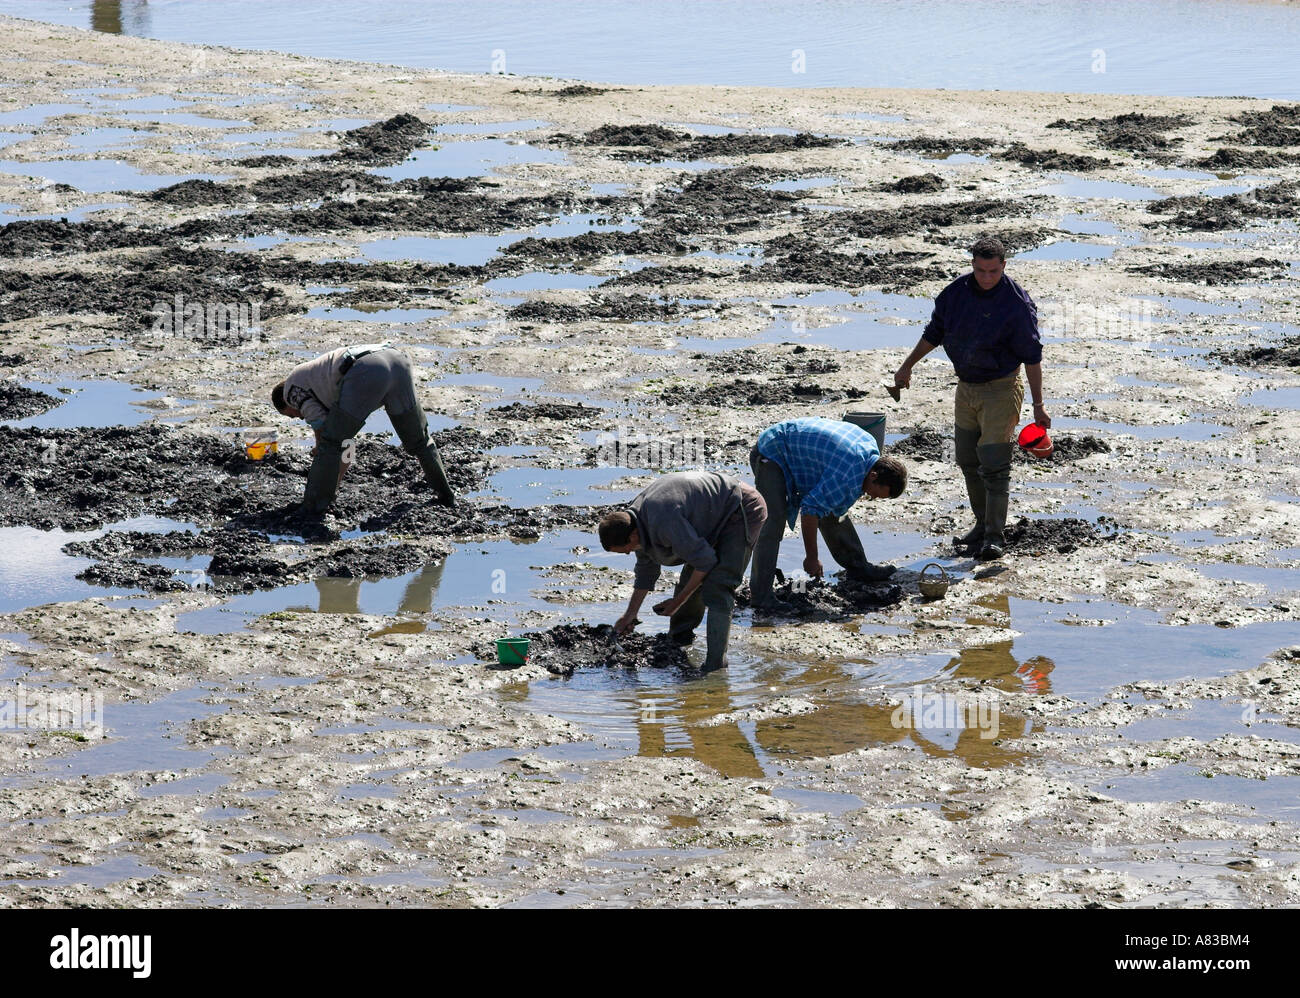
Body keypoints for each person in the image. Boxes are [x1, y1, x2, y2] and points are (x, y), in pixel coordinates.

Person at [893, 236, 1050, 560]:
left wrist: (1038, 406)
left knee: (994, 466)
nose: (987, 277)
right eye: (980, 270)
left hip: (1001, 389)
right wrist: (906, 366)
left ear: (1003, 266)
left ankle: (994, 537)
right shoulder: (955, 295)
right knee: (968, 461)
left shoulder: (1016, 304)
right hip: (965, 389)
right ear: (972, 265)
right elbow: (934, 333)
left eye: (993, 271)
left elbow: (1032, 357)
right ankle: (981, 525)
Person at [598, 470, 767, 672]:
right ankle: (679, 641)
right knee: (691, 580)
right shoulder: (633, 519)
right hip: (710, 514)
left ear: (633, 535)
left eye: (625, 550)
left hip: (742, 507)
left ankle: (715, 667)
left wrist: (677, 602)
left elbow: (704, 562)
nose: (627, 554)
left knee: (718, 587)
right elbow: (646, 570)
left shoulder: (663, 520)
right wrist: (629, 615)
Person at [271, 342, 455, 514]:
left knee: (330, 443)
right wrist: (334, 485)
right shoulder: (316, 382)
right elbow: (348, 446)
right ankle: (447, 497)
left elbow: (323, 431)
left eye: (291, 415)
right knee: (420, 441)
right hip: (397, 360)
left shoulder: (290, 391)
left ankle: (312, 508)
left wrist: (320, 446)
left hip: (366, 371)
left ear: (285, 402)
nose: (300, 417)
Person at [748, 416, 908, 610]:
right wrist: (812, 558)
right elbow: (809, 511)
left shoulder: (870, 452)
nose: (872, 497)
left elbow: (827, 502)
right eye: (875, 493)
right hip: (773, 452)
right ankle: (761, 596)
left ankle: (859, 568)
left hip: (801, 449)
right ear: (873, 476)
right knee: (772, 523)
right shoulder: (848, 474)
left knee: (832, 504)